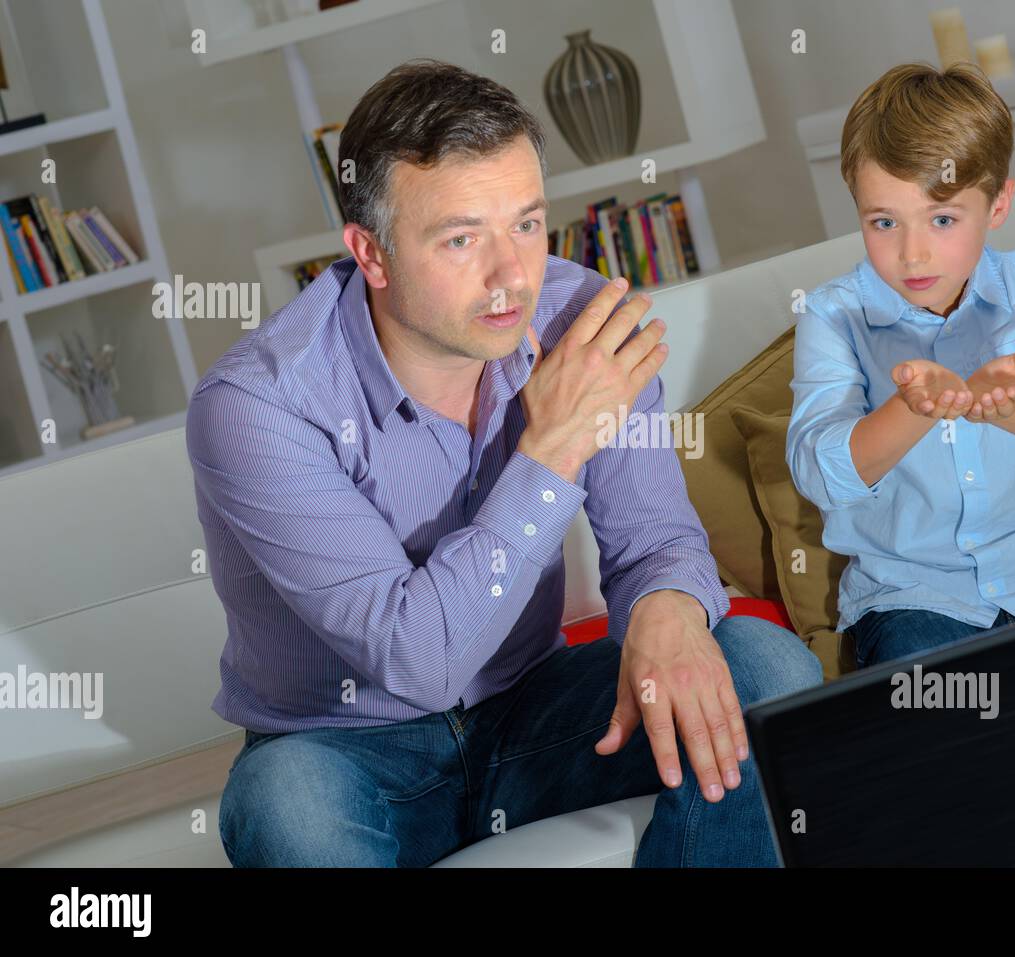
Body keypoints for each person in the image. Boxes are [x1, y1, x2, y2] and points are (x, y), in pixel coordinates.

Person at [187, 59, 822, 868]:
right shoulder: (258, 405)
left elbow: (656, 540)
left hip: (533, 710)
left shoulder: (578, 320)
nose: (511, 277)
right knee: (286, 810)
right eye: (461, 238)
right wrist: (551, 448)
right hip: (342, 748)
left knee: (768, 672)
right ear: (370, 254)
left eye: (525, 223)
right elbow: (416, 661)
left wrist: (668, 609)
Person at [786, 62, 1015, 671]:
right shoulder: (833, 315)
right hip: (910, 596)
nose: (912, 252)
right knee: (946, 738)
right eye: (884, 222)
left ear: (999, 202)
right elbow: (818, 472)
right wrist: (910, 410)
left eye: (942, 218)